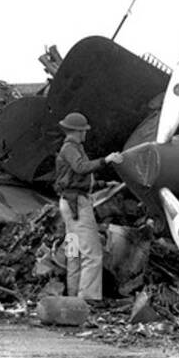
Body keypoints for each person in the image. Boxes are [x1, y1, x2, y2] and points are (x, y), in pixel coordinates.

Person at [53, 112, 123, 303]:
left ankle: (73, 296)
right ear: (77, 131)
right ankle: (87, 298)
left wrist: (102, 185)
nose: (86, 134)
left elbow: (77, 178)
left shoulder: (72, 148)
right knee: (93, 254)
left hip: (68, 204)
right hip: (77, 206)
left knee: (74, 253)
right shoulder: (70, 148)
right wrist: (106, 160)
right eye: (84, 131)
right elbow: (81, 168)